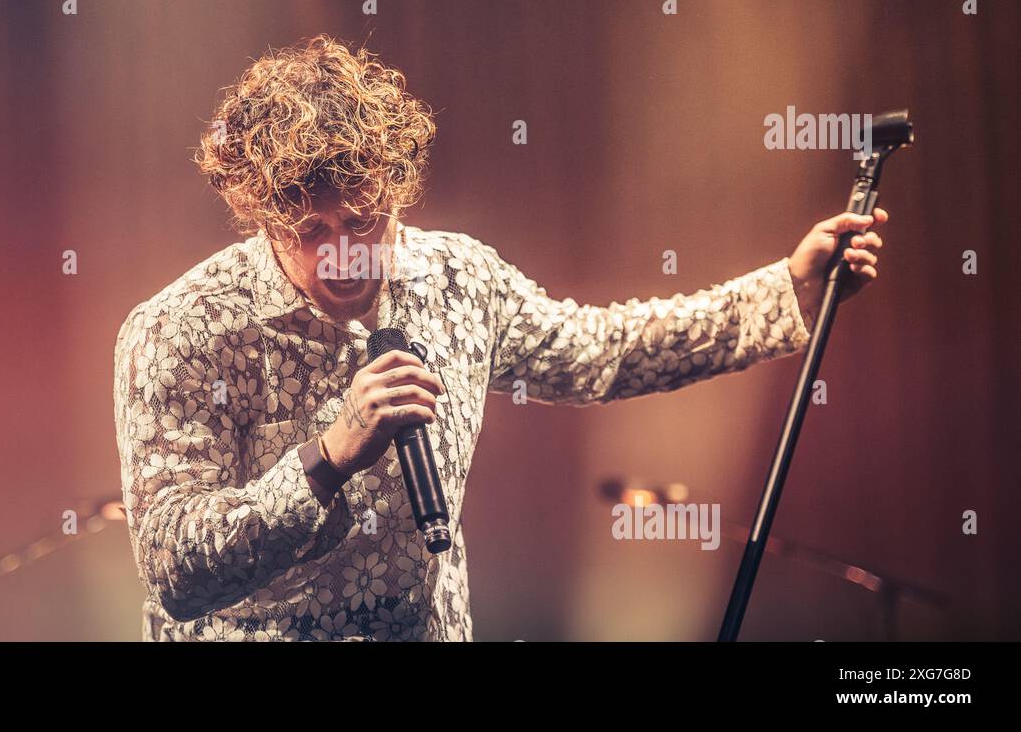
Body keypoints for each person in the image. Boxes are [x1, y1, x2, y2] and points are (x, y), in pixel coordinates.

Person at [112, 34, 888, 641]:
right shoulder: (182, 330)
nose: (340, 251)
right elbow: (175, 568)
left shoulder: (456, 279)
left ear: (396, 190)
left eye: (361, 221)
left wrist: (787, 286)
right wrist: (327, 455)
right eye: (309, 230)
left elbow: (600, 350)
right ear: (262, 216)